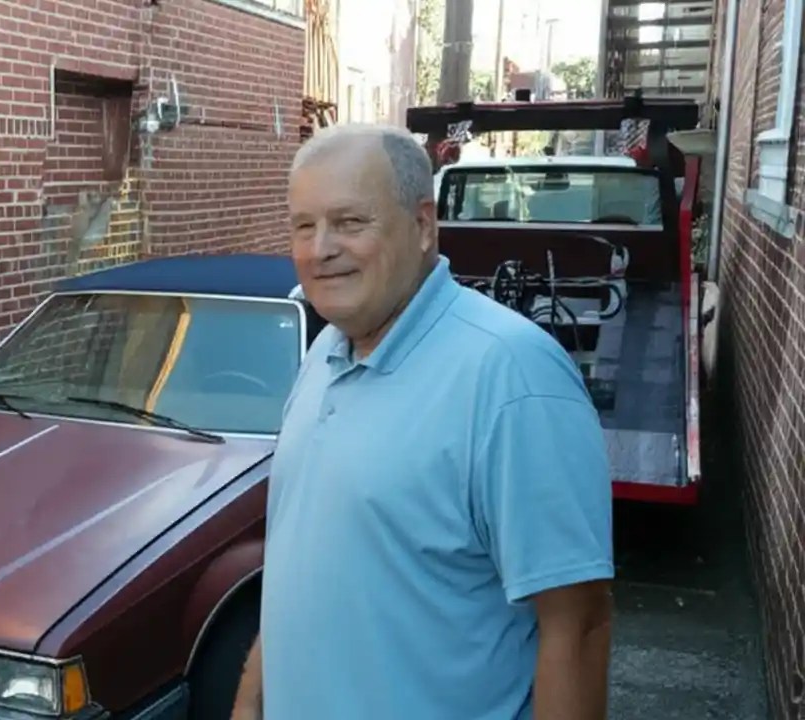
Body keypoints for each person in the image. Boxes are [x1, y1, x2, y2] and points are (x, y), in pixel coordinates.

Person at [230, 124, 614, 720]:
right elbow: (297, 574)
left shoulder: (512, 376)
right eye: (303, 226)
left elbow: (578, 626)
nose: (320, 248)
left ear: (423, 226)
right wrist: (248, 705)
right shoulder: (323, 357)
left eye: (350, 222)